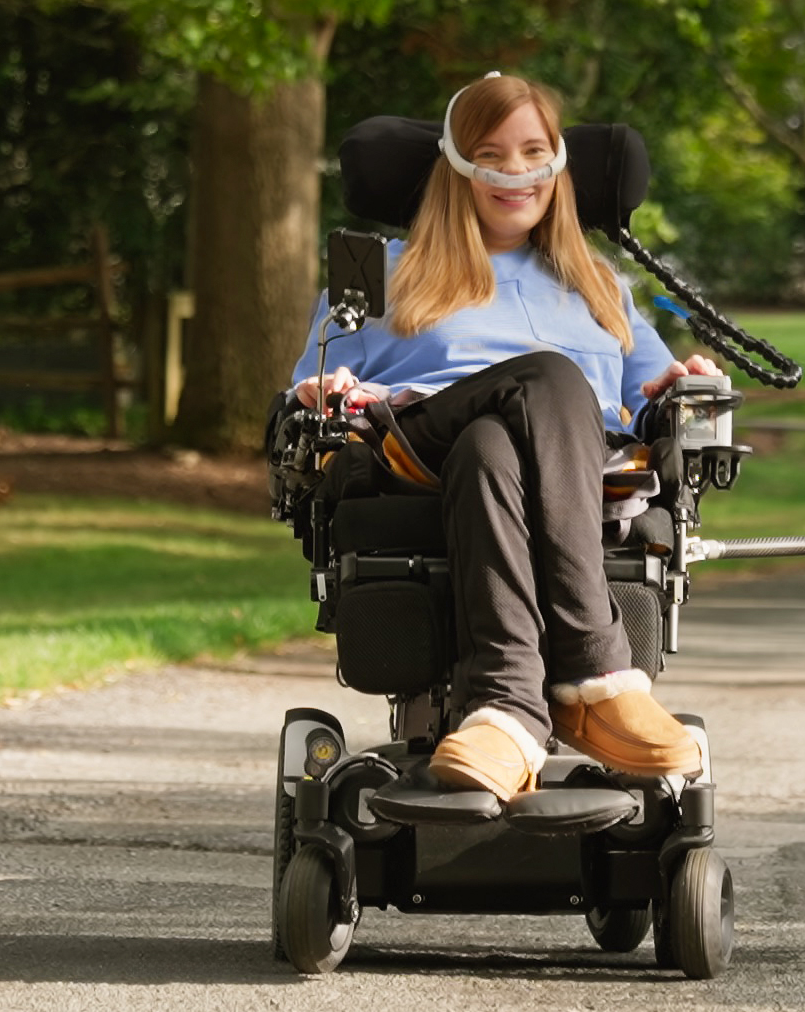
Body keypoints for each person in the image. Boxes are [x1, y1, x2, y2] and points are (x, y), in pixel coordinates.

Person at [292, 72, 723, 800]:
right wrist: (321, 387)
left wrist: (683, 380)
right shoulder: (379, 279)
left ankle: (508, 710)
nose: (516, 172)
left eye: (534, 150)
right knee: (549, 379)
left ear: (560, 163)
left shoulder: (598, 285)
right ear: (455, 165)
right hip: (412, 448)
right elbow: (305, 390)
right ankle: (595, 668)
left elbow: (653, 393)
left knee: (492, 444)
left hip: (558, 464)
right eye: (492, 153)